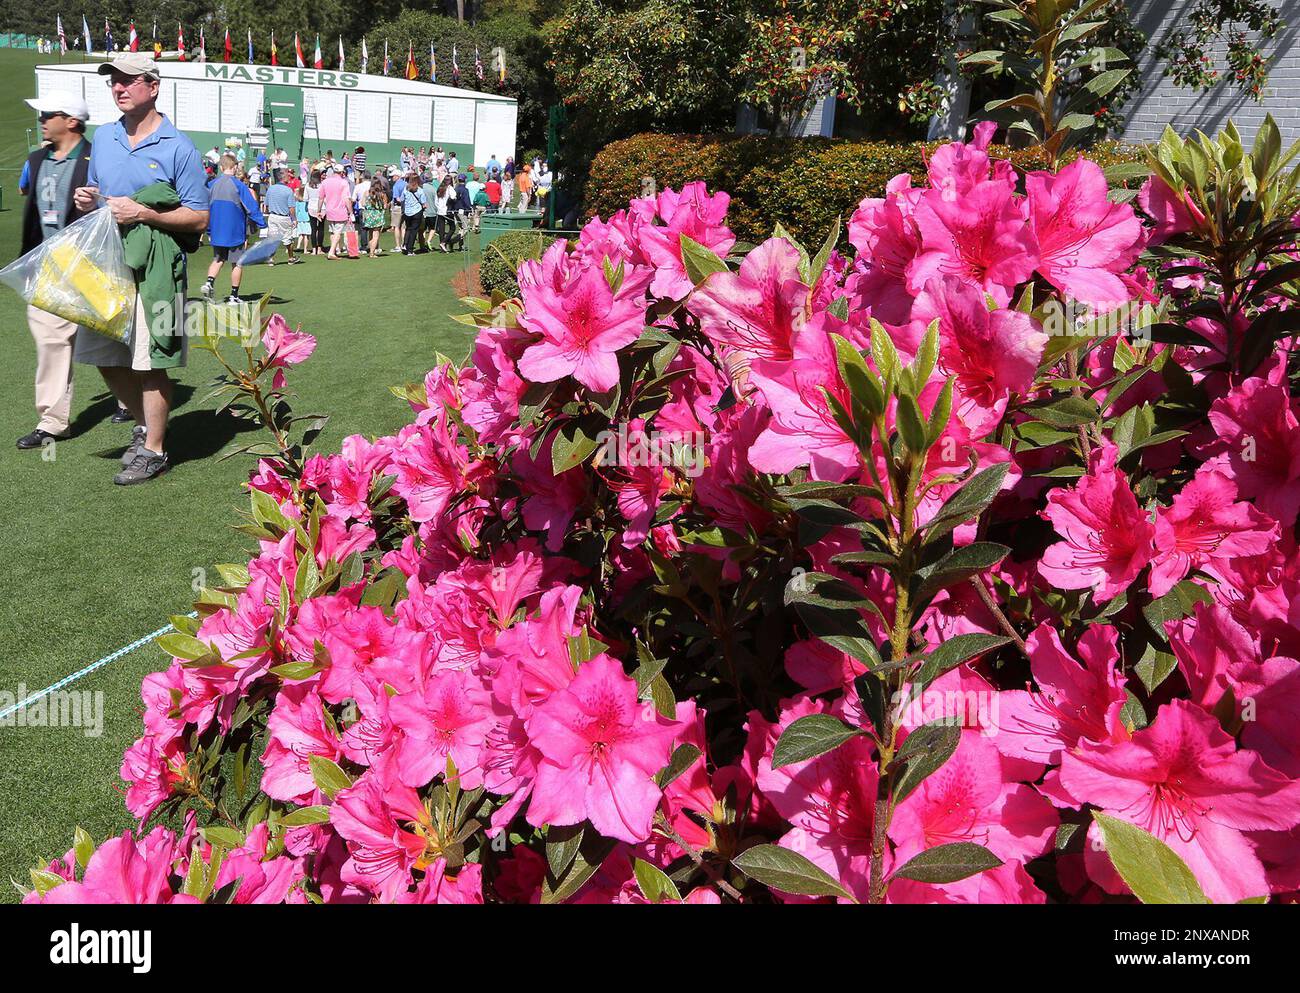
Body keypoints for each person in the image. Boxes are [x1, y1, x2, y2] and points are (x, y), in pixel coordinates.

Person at [72, 52, 209, 485]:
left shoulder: (179, 147)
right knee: (104, 358)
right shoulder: (105, 137)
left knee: (149, 363)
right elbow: (102, 196)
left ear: (153, 86)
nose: (119, 87)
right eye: (113, 80)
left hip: (156, 268)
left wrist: (145, 214)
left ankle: (154, 450)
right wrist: (87, 200)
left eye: (129, 80)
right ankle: (144, 426)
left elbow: (199, 217)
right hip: (107, 264)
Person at [15, 94, 94, 451]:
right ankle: (51, 422)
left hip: (93, 268)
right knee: (51, 343)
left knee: (111, 341)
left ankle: (131, 405)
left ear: (72, 121)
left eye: (49, 114)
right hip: (47, 268)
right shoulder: (35, 159)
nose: (42, 120)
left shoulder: (97, 159)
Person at [202, 153, 266, 304]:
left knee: (217, 259)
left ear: (221, 167)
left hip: (217, 229)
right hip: (235, 231)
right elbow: (251, 207)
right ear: (235, 167)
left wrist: (208, 229)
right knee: (237, 263)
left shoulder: (211, 185)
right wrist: (263, 224)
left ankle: (209, 283)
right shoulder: (239, 185)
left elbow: (204, 206)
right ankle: (234, 296)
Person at [264, 168, 301, 265]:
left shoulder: (270, 189)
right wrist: (294, 219)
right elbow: (291, 208)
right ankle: (291, 258)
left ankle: (271, 259)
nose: (288, 176)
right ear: (282, 177)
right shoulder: (288, 190)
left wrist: (268, 212)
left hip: (272, 216)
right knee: (288, 239)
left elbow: (266, 205)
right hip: (284, 217)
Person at [319, 164, 351, 260]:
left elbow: (321, 198)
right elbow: (346, 198)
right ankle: (332, 252)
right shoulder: (343, 182)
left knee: (333, 232)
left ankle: (335, 250)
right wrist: (350, 211)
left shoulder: (325, 182)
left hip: (329, 210)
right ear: (342, 172)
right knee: (337, 232)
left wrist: (318, 210)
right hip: (340, 210)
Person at [400, 174, 427, 255]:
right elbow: (424, 203)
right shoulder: (420, 190)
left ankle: (405, 244)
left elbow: (402, 199)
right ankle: (410, 249)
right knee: (414, 231)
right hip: (416, 212)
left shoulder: (406, 189)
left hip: (407, 212)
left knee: (408, 228)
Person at [363, 182, 387, 258]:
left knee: (370, 234)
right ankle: (372, 253)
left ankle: (371, 251)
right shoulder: (382, 195)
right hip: (378, 215)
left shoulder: (367, 193)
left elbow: (363, 203)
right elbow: (385, 206)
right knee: (376, 235)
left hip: (369, 215)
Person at [305, 169, 325, 255]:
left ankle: (314, 250)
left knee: (313, 229)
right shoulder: (322, 185)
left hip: (311, 207)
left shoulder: (307, 185)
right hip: (322, 207)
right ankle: (319, 248)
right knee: (321, 228)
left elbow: (305, 198)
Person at [390, 170, 407, 252]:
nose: (392, 177)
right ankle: (404, 244)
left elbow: (397, 198)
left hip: (397, 208)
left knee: (397, 227)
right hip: (405, 208)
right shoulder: (405, 184)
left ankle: (398, 246)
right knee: (403, 227)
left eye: (393, 176)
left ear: (397, 176)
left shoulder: (396, 186)